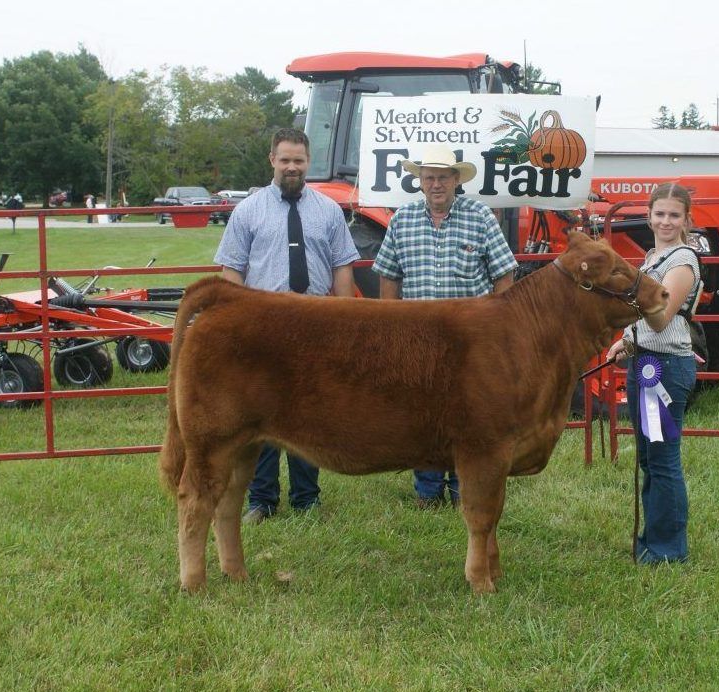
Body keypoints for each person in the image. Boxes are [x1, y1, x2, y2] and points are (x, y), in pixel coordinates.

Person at [214, 127, 360, 523]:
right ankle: (261, 500)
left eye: (299, 160)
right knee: (262, 416)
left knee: (308, 416)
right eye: (285, 160)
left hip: (316, 327)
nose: (292, 167)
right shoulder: (248, 211)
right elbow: (232, 273)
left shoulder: (328, 211)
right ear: (272, 160)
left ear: (308, 162)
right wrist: (238, 328)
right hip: (265, 330)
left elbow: (341, 268)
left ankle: (306, 498)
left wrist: (343, 324)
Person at [372, 143, 518, 509]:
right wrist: (391, 330)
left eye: (443, 177)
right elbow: (389, 277)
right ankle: (427, 491)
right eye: (429, 178)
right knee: (422, 414)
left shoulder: (480, 217)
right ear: (419, 182)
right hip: (416, 338)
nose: (436, 184)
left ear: (456, 180)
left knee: (471, 414)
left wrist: (497, 326)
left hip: (470, 339)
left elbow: (504, 275)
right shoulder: (402, 219)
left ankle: (463, 487)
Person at [605, 182, 700, 564]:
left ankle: (667, 550)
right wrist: (624, 340)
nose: (665, 221)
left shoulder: (682, 261)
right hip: (647, 363)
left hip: (660, 369)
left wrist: (629, 318)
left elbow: (660, 319)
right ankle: (653, 539)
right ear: (648, 216)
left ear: (685, 220)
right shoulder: (651, 258)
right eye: (659, 213)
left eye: (674, 215)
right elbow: (645, 320)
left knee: (661, 460)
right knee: (649, 457)